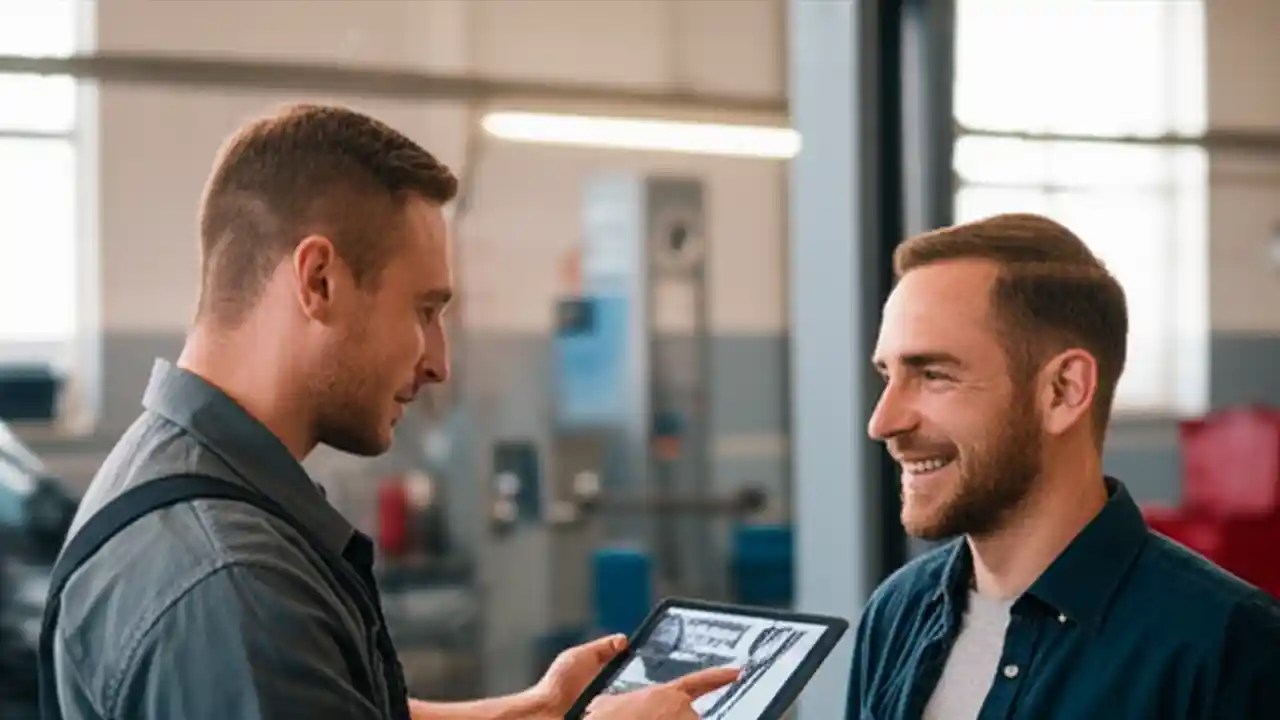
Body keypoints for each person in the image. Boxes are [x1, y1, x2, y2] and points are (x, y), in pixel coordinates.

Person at [44, 104, 736, 720]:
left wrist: (536, 711)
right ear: (319, 281)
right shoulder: (236, 589)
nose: (439, 363)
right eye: (424, 311)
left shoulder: (165, 475)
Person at [847, 213, 1280, 719]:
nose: (883, 422)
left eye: (934, 375)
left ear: (1063, 391)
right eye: (888, 375)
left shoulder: (1226, 645)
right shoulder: (897, 611)